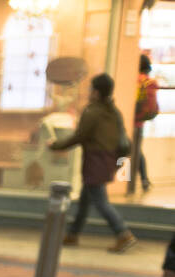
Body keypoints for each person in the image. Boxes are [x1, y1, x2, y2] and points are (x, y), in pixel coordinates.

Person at [51, 74, 136, 253]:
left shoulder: (92, 111)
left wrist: (56, 145)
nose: (89, 92)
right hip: (107, 160)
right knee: (85, 199)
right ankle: (73, 234)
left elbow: (80, 136)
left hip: (95, 161)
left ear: (96, 92)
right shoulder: (114, 111)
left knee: (100, 201)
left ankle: (123, 233)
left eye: (91, 89)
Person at [128, 56, 158, 197]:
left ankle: (126, 182)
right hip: (141, 121)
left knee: (128, 151)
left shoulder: (135, 79)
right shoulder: (149, 81)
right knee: (137, 151)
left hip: (130, 120)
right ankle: (144, 179)